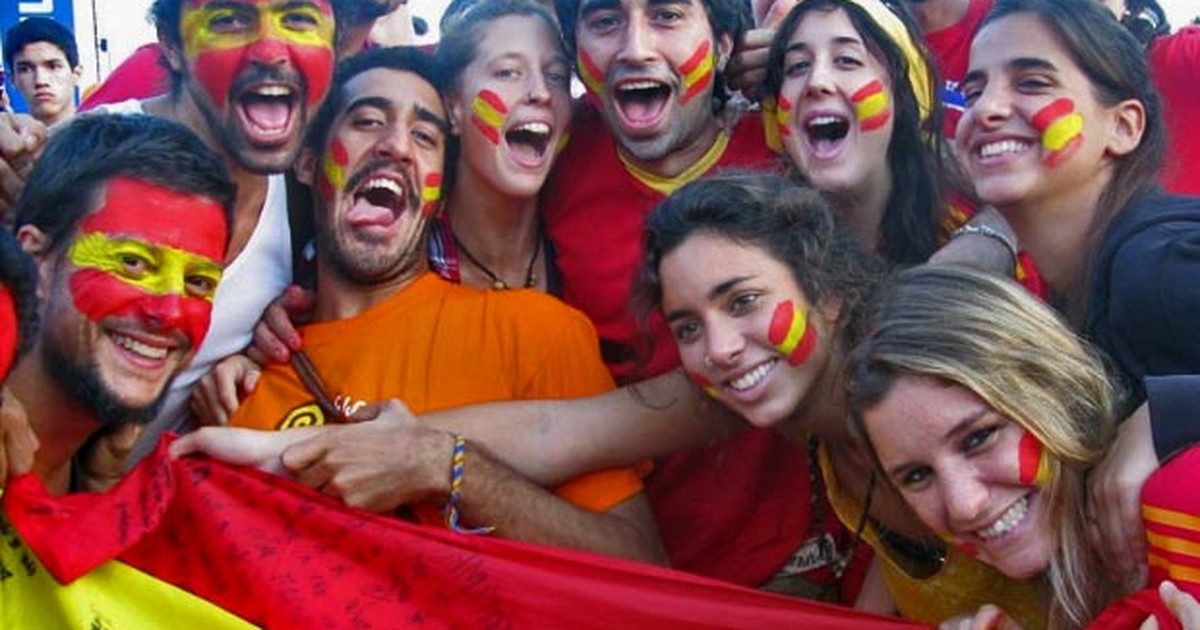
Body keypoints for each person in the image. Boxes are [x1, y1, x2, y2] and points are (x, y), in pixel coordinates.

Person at [204, 46, 662, 562]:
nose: (397, 146)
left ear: (439, 193)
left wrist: (449, 470)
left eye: (425, 136)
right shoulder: (239, 382)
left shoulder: (531, 332)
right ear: (308, 162)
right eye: (368, 121)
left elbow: (641, 565)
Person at [633, 171, 1044, 624]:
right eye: (688, 328)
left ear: (827, 292)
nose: (719, 349)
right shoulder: (826, 425)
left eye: (743, 301)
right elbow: (913, 561)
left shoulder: (928, 392)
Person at [953, 0, 1200, 583]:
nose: (987, 109)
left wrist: (1170, 412)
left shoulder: (1157, 266)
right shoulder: (1062, 294)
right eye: (974, 88)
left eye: (1032, 82)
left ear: (1123, 127)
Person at [847, 264, 1200, 629]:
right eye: (917, 476)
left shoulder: (1182, 500)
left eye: (978, 438)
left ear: (1054, 387)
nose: (964, 505)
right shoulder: (1071, 582)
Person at [428, 0, 570, 293]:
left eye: (556, 76)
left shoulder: (579, 250)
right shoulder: (400, 253)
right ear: (453, 106)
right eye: (508, 72)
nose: (541, 92)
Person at [3, 17, 82, 127]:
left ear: (76, 74)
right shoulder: (8, 140)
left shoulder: (104, 138)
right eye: (25, 69)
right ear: (13, 80)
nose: (40, 80)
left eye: (53, 67)